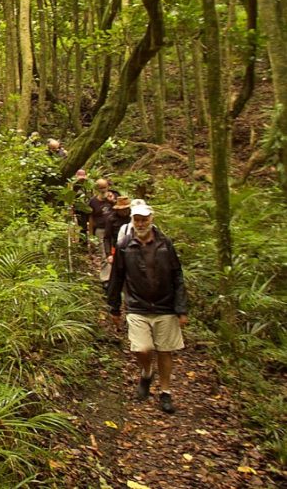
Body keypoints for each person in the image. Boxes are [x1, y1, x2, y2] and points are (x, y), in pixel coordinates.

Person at [106, 200, 188, 414]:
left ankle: (165, 391)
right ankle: (146, 372)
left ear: (151, 220)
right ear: (132, 220)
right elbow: (117, 276)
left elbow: (177, 274)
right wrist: (114, 307)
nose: (141, 223)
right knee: (142, 349)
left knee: (164, 350)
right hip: (137, 305)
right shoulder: (124, 245)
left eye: (144, 219)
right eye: (137, 219)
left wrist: (181, 308)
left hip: (165, 305)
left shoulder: (165, 243)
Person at [87, 178, 117, 258]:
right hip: (100, 230)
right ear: (97, 189)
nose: (103, 190)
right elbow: (91, 218)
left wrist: (112, 201)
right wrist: (91, 235)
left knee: (116, 251)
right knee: (103, 253)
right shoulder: (93, 201)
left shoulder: (114, 196)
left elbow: (121, 209)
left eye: (105, 187)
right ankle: (106, 269)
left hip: (114, 228)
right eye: (101, 188)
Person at [71, 169, 92, 241]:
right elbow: (72, 197)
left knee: (89, 225)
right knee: (83, 226)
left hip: (88, 207)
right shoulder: (75, 186)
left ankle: (88, 241)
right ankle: (82, 242)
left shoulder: (88, 185)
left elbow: (91, 195)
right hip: (79, 209)